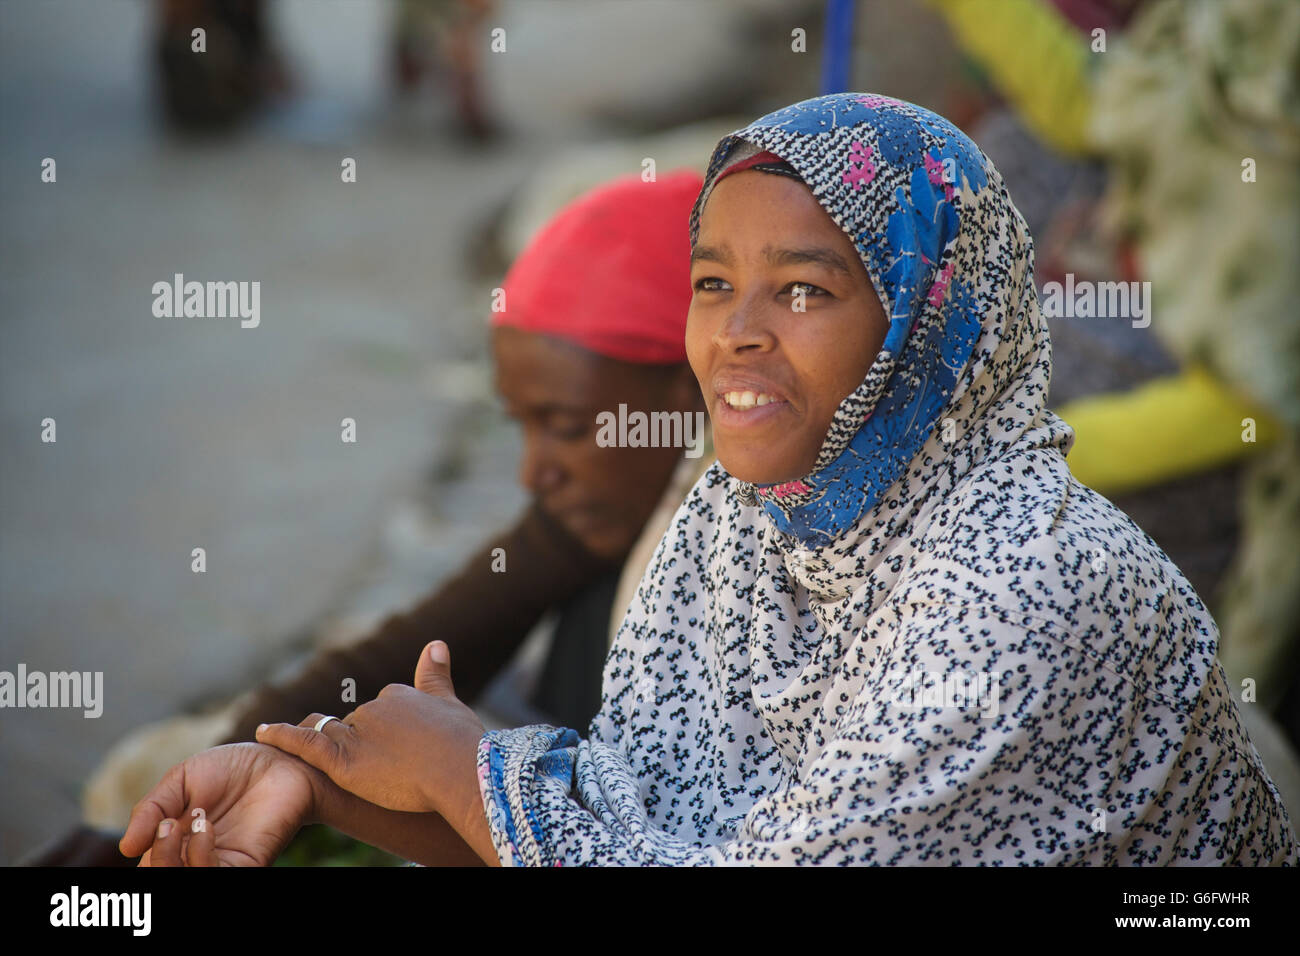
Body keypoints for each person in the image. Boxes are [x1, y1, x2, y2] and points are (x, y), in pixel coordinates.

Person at [125, 94, 1298, 866]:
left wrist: (459, 762)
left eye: (802, 288)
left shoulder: (1017, 587)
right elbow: (643, 823)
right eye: (709, 281)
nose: (733, 334)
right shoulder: (740, 522)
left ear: (930, 323)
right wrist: (319, 784)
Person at [29, 170, 709, 866]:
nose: (532, 473)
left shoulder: (710, 590)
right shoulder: (602, 525)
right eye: (522, 428)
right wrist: (254, 768)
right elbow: (417, 655)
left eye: (563, 426)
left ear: (689, 394)